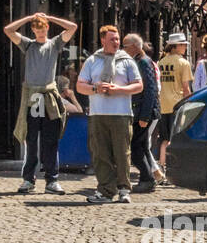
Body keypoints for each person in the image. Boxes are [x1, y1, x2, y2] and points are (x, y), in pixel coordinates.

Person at [3, 11, 76, 194]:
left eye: (42, 27)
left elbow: (72, 27)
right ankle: (29, 179)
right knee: (32, 140)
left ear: (47, 28)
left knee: (50, 139)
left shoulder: (55, 44)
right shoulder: (28, 45)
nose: (39, 31)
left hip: (49, 96)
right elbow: (8, 30)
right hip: (34, 97)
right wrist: (28, 18)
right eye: (36, 28)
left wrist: (51, 17)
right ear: (33, 30)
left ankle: (52, 179)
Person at [75, 24, 142, 203]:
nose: (116, 42)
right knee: (100, 153)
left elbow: (138, 85)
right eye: (112, 39)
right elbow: (80, 86)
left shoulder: (126, 60)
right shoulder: (92, 60)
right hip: (98, 114)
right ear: (103, 40)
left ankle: (123, 189)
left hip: (121, 114)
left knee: (122, 152)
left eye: (118, 39)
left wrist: (119, 89)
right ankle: (105, 190)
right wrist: (95, 89)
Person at [122, 33, 160, 192]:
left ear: (135, 47)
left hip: (144, 113)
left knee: (135, 146)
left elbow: (150, 90)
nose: (123, 49)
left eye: (125, 46)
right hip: (140, 111)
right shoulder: (137, 61)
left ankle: (147, 178)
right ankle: (149, 178)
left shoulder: (143, 62)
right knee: (142, 146)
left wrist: (144, 116)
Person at [157, 32, 193, 183]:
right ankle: (174, 171)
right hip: (177, 105)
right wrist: (190, 103)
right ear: (175, 46)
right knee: (176, 139)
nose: (185, 47)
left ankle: (161, 170)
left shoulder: (161, 62)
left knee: (164, 140)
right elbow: (186, 88)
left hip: (162, 105)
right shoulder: (183, 63)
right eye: (183, 44)